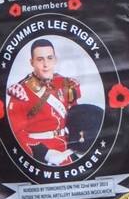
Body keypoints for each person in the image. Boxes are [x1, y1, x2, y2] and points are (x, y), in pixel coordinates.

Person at [6, 38, 83, 166]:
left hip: (66, 146)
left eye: (49, 58)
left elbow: (76, 116)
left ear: (55, 59)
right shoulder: (21, 91)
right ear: (32, 62)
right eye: (40, 59)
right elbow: (16, 132)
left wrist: (81, 139)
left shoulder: (65, 83)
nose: (46, 64)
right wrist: (45, 153)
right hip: (41, 152)